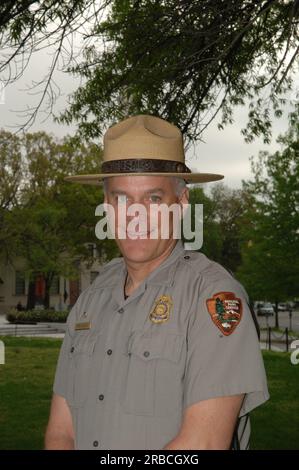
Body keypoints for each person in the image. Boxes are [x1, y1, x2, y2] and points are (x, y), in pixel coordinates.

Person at [45, 114, 269, 450]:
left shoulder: (212, 297)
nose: (135, 216)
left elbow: (202, 445)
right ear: (107, 207)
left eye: (153, 199)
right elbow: (61, 433)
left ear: (180, 205)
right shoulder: (91, 300)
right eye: (121, 199)